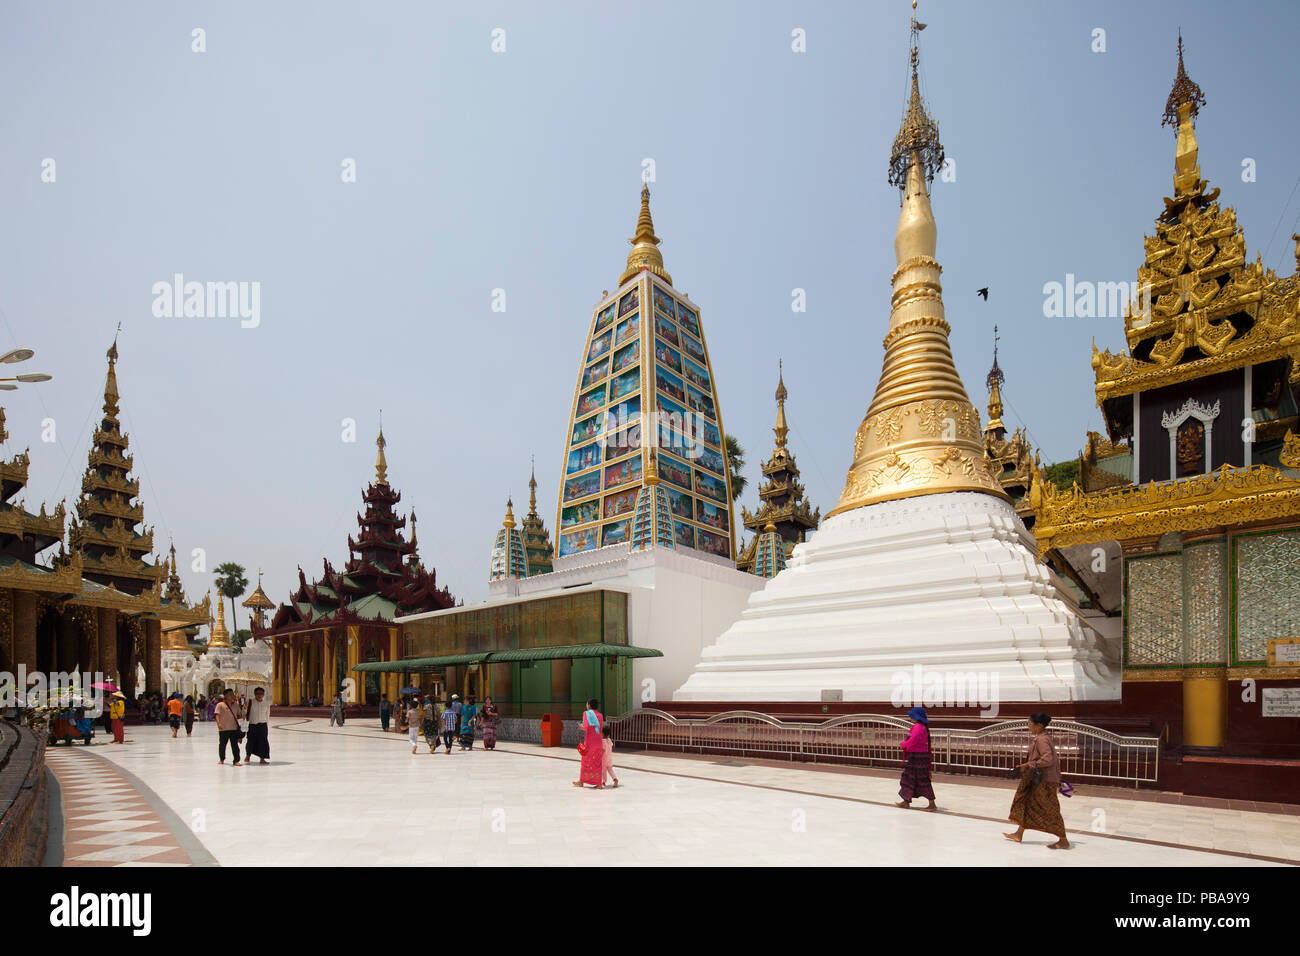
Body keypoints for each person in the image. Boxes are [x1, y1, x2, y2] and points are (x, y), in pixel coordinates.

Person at [1004, 712, 1069, 849]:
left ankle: (1063, 840)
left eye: (1030, 723)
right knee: (1026, 802)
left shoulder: (1042, 739)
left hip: (1046, 780)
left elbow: (1047, 759)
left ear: (1039, 725)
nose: (1029, 726)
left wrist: (1029, 765)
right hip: (1038, 779)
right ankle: (1019, 834)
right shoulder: (1041, 737)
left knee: (1050, 808)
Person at [895, 706, 938, 811]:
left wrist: (903, 744)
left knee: (922, 779)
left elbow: (913, 740)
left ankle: (932, 803)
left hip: (919, 757)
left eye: (912, 715)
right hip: (915, 755)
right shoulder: (919, 726)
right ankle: (906, 801)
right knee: (908, 778)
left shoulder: (918, 727)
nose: (910, 717)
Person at [573, 698, 604, 789]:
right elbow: (599, 728)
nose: (586, 705)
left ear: (589, 705)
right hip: (598, 742)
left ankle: (581, 781)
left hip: (589, 742)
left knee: (585, 762)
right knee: (597, 762)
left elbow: (586, 727)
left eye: (587, 704)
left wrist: (580, 727)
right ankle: (598, 784)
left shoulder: (586, 713)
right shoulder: (600, 715)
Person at [215, 689, 243, 766]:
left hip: (234, 728)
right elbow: (217, 715)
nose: (232, 695)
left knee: (235, 745)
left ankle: (236, 760)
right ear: (226, 696)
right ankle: (222, 759)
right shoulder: (220, 705)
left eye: (232, 694)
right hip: (224, 728)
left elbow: (239, 716)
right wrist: (219, 724)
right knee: (222, 745)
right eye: (230, 694)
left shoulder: (236, 705)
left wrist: (244, 709)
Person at [245, 686, 271, 764]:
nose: (259, 695)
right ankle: (248, 756)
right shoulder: (250, 702)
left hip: (262, 725)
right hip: (252, 725)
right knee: (250, 741)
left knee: (263, 742)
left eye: (261, 694)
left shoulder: (266, 703)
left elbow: (267, 715)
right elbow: (245, 713)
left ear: (263, 694)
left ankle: (262, 758)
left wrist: (266, 723)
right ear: (254, 694)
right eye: (257, 694)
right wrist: (245, 708)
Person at [601, 723, 619, 788]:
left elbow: (602, 750)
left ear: (602, 733)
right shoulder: (609, 740)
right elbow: (611, 745)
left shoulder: (602, 741)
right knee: (610, 769)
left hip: (604, 758)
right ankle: (615, 779)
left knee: (603, 770)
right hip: (610, 758)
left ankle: (603, 782)